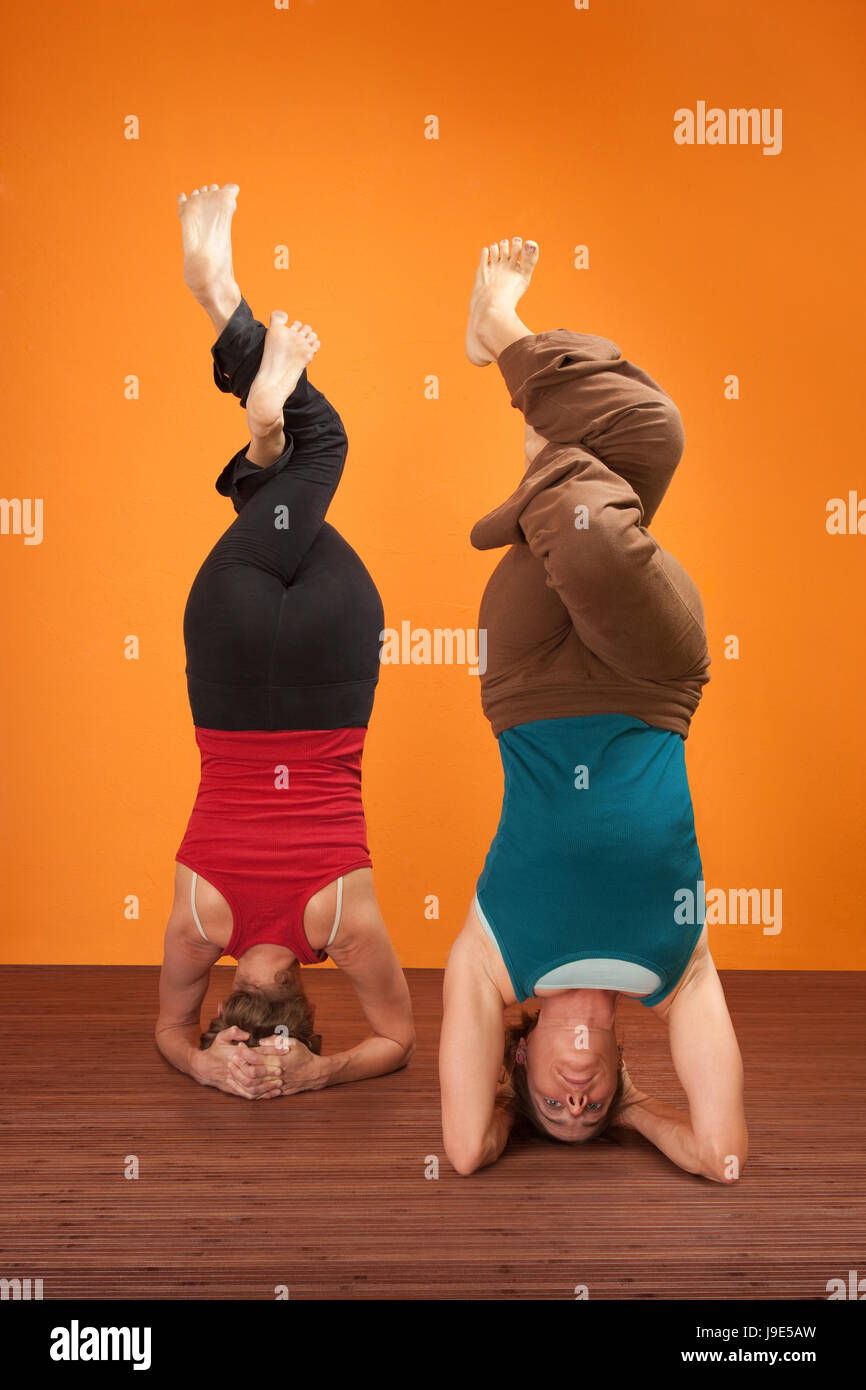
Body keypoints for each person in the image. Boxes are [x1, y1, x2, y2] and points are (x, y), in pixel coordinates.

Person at [439, 237, 747, 1182]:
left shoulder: (495, 963)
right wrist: (640, 1116)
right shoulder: (676, 967)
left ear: (520, 1059)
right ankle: (530, 436)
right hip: (654, 683)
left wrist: (511, 1115)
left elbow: (463, 1151)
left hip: (527, 679)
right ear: (613, 1079)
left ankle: (539, 454)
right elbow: (724, 1156)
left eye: (550, 1106)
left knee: (589, 518)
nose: (572, 1101)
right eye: (588, 1109)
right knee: (655, 437)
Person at [155, 182, 414, 1100]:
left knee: (320, 451)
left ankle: (243, 365)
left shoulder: (345, 930)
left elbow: (397, 1038)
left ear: (308, 995)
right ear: (232, 1002)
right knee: (283, 482)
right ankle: (256, 431)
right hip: (226, 662)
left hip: (332, 656)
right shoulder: (200, 922)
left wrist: (319, 1075)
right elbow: (166, 1029)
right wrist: (199, 1061)